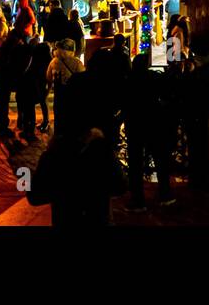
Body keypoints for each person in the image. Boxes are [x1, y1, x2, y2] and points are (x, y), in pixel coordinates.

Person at [27, 74, 126, 226]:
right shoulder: (100, 149)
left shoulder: (55, 153)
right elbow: (119, 186)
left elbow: (34, 197)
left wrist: (25, 173)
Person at [124, 53, 176, 210]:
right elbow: (167, 94)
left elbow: (124, 101)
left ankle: (138, 200)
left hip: (135, 124)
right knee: (160, 160)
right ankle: (165, 194)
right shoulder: (155, 77)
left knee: (135, 164)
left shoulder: (129, 80)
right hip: (154, 123)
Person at [47, 38, 84, 132]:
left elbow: (48, 77)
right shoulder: (77, 62)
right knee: (71, 116)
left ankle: (58, 135)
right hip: (73, 94)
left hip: (59, 94)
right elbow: (83, 78)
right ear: (72, 50)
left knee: (59, 116)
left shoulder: (54, 61)